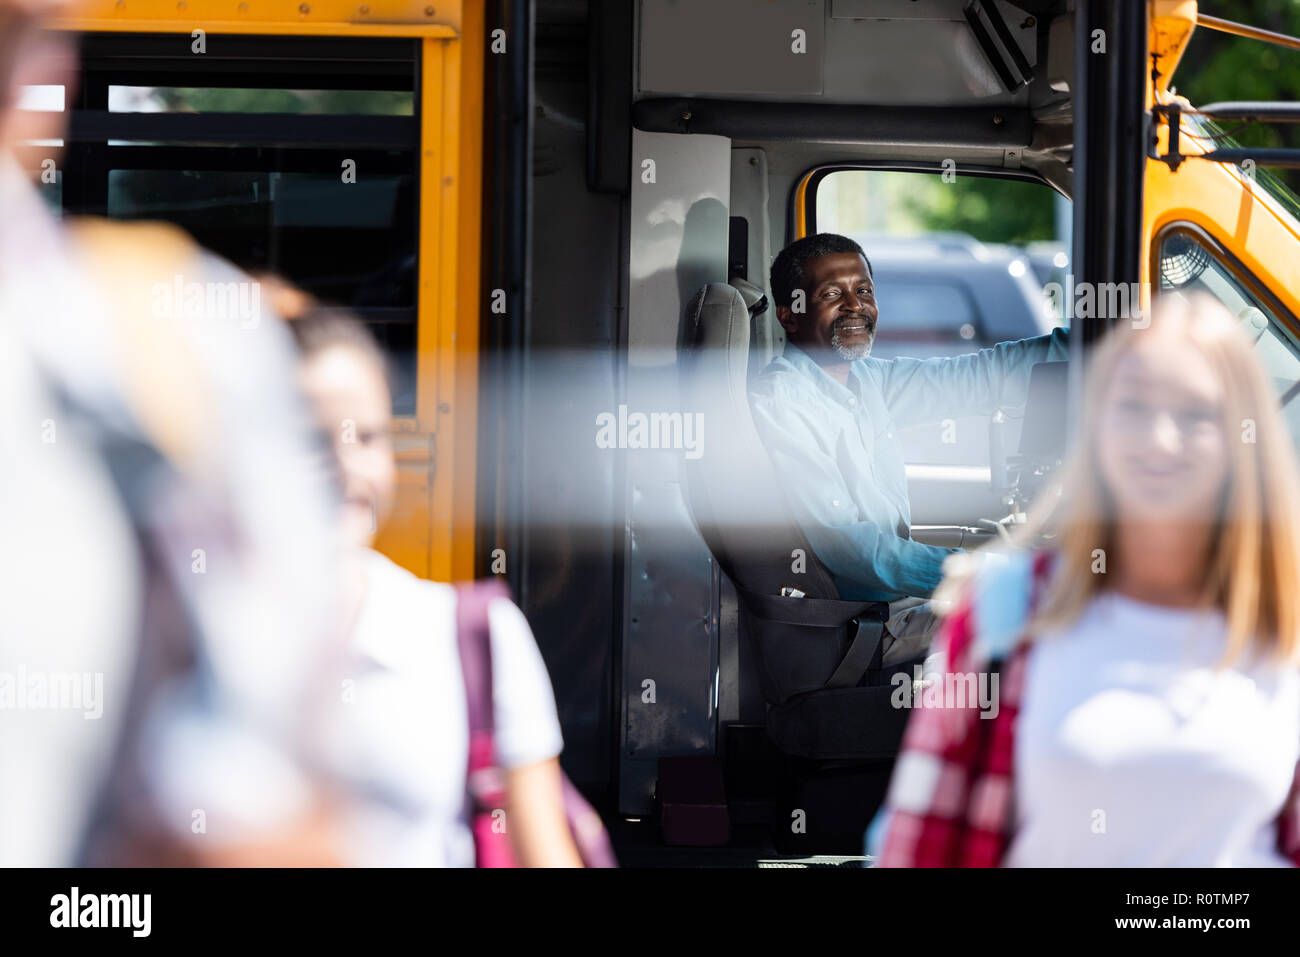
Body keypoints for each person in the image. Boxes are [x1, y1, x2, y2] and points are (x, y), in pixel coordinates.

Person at [869, 294, 1300, 867]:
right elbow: (921, 849)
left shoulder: (1286, 618)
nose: (1160, 439)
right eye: (1133, 408)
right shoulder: (1006, 609)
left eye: (1197, 415)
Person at [286, 305, 585, 867]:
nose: (346, 463)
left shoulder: (475, 637)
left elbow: (544, 853)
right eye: (308, 439)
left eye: (368, 436)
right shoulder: (176, 636)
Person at [748, 233, 1068, 665]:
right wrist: (977, 573)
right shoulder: (783, 400)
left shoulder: (868, 381)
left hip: (895, 609)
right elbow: (852, 547)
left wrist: (1093, 341)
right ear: (790, 316)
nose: (854, 306)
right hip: (862, 628)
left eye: (863, 291)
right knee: (1058, 619)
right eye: (831, 294)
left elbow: (981, 377)